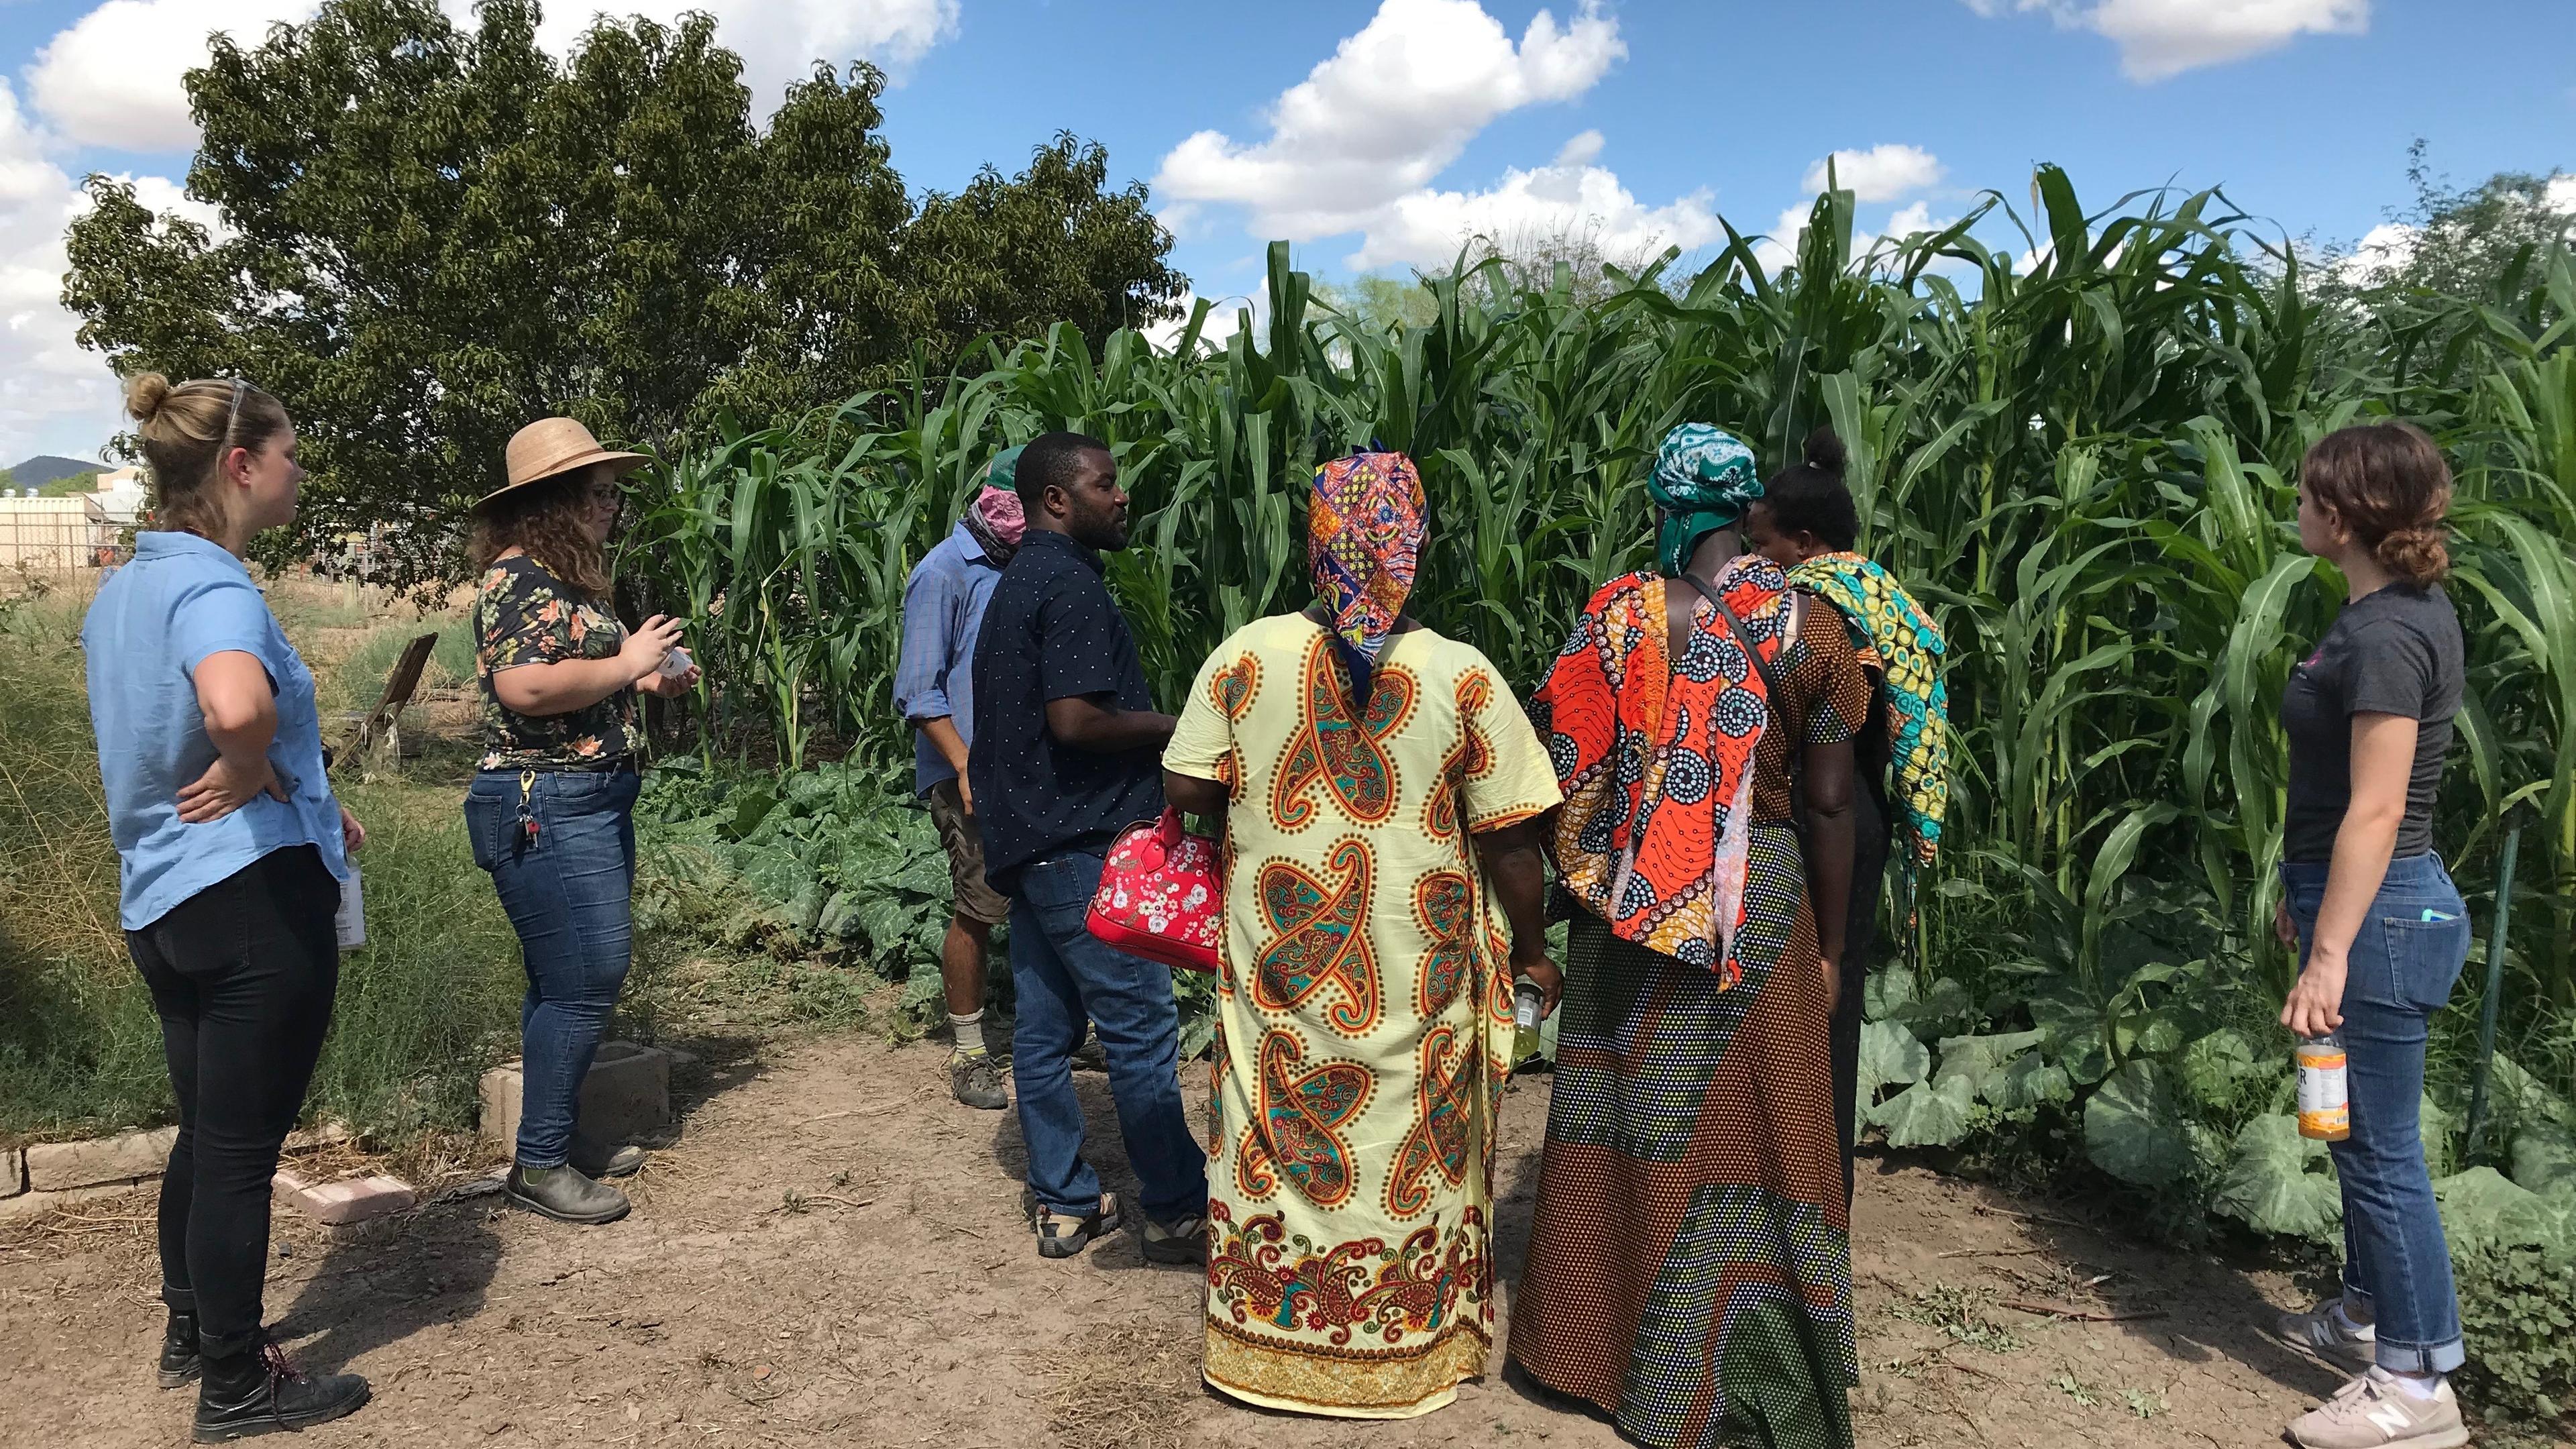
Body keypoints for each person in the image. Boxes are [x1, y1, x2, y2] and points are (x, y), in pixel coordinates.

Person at [1162, 451, 1562, 1419]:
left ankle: (1271, 1347)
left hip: (1277, 963)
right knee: (1412, 1138)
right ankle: (1406, 1351)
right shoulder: (1460, 676)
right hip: (1419, 974)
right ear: (1414, 546)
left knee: (1276, 1127)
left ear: (1315, 545)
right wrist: (1534, 943)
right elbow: (1514, 834)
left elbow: (1183, 790)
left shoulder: (1246, 655)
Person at [1507, 424, 1866, 1449]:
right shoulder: (1817, 633)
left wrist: (1601, 868)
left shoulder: (1618, 617)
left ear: (1666, 506)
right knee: (1770, 1128)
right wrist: (1833, 950)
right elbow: (1832, 808)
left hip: (1636, 903)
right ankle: (1763, 1369)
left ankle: (1593, 1354)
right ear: (1751, 510)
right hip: (1758, 905)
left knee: (1626, 1121)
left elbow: (1563, 758)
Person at [83, 373, 372, 1439]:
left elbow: (174, 725)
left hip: (165, 898)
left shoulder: (124, 588)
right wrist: (251, 761)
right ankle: (238, 1387)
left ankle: (189, 1329)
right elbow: (234, 704)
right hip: (249, 898)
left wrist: (295, 788)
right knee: (244, 1154)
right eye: (290, 451)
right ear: (239, 465)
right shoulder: (216, 587)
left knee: (207, 1134)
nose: (301, 468)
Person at [2268, 422, 2473, 1449]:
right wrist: (2302, 892)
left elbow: (2378, 810)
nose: (2296, 507)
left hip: (2384, 912)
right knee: (2354, 1138)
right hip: (2361, 899)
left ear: (2340, 517)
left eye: (2307, 495)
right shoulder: (2390, 613)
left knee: (2384, 1150)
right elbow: (2336, 803)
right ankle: (2366, 1316)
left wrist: (2331, 950)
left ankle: (2419, 1385)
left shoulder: (2388, 634)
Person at [967, 430, 1208, 1261]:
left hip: (1031, 844)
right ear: (1058, 500)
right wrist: (1188, 724)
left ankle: (1066, 1203)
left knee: (1042, 1031)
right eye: (1107, 484)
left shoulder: (1014, 584)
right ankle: (1179, 1209)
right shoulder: (1066, 585)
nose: (1122, 496)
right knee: (1139, 1028)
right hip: (1079, 844)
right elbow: (1076, 721)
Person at [464, 417, 697, 1226]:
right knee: (588, 976)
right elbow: (524, 689)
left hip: (583, 796)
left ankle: (551, 1139)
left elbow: (574, 678)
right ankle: (539, 1165)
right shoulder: (518, 579)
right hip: (547, 802)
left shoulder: (562, 581)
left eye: (612, 494)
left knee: (562, 982)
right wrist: (630, 661)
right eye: (597, 494)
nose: (611, 507)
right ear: (551, 502)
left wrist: (643, 681)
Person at [1744, 428, 1950, 1206]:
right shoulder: (1884, 594)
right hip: (1866, 822)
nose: (1752, 560)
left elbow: (1818, 768)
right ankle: (1827, 1197)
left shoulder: (1816, 605)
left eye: (1761, 545)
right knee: (1839, 1007)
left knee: (1802, 1007)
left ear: (1802, 541)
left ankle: (1800, 1200)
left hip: (1817, 821)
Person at [894, 447, 1026, 1110]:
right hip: (964, 770)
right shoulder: (944, 571)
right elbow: (918, 692)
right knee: (979, 906)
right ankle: (971, 1053)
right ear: (986, 495)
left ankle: (1049, 1028)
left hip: (1027, 769)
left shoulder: (1025, 565)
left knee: (1043, 900)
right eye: (1016, 501)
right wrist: (968, 765)